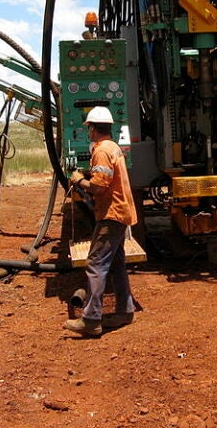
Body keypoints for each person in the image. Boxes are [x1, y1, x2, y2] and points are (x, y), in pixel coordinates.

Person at [65, 106, 138, 337]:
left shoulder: (101, 151)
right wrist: (89, 176)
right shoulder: (113, 147)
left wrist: (78, 180)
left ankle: (91, 319)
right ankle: (124, 312)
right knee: (116, 264)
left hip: (111, 214)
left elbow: (98, 187)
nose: (88, 133)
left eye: (89, 128)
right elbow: (105, 177)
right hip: (120, 212)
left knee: (95, 264)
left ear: (93, 129)